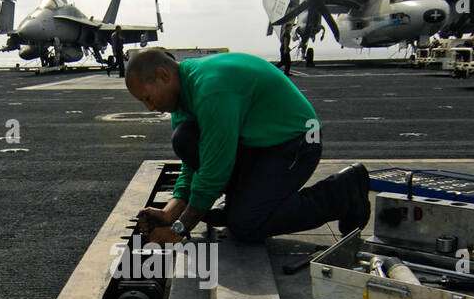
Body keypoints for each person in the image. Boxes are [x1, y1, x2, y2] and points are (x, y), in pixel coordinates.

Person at [124, 47, 370, 244]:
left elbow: (213, 171)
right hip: (262, 145)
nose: (149, 107)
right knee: (184, 139)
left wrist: (179, 228)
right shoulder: (182, 97)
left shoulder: (210, 90)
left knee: (246, 224)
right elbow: (193, 164)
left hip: (297, 142)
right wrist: (169, 212)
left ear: (163, 76)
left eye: (147, 97)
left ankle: (342, 193)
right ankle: (241, 203)